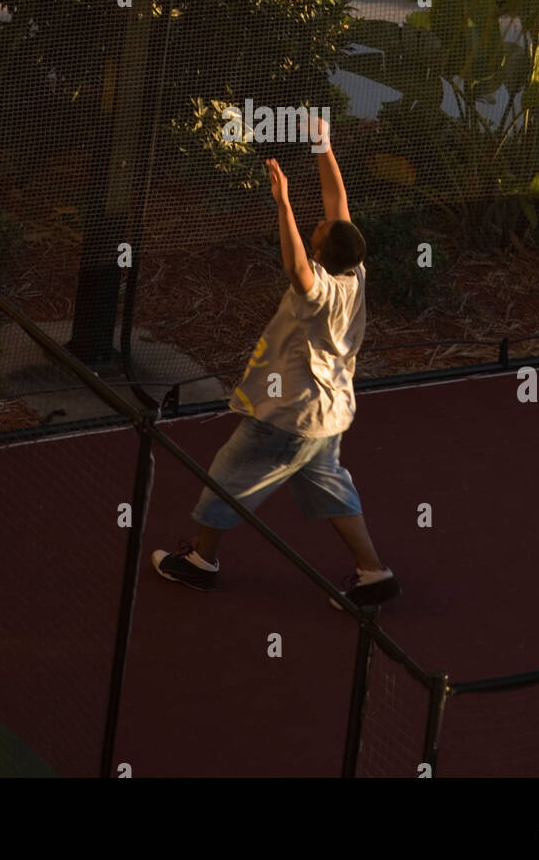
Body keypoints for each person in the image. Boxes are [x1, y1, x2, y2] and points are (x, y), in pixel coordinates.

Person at [152, 115, 400, 608]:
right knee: (329, 488)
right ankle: (375, 574)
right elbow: (338, 202)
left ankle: (202, 563)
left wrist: (282, 202)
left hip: (287, 415)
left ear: (321, 252)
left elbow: (294, 267)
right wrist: (322, 145)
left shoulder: (319, 292)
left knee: (225, 476)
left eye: (322, 228)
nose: (323, 218)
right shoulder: (355, 274)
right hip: (327, 416)